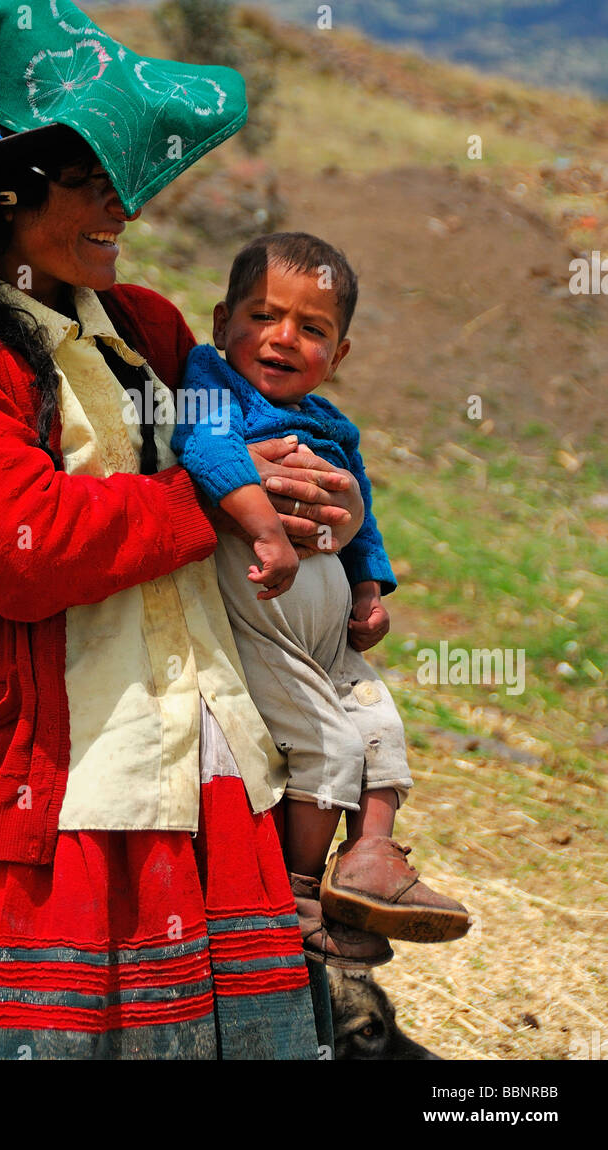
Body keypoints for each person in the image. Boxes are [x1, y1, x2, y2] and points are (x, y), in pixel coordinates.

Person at [0, 0, 368, 1059]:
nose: (123, 213)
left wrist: (308, 500)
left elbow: (240, 446)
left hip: (193, 759)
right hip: (33, 789)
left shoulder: (141, 322)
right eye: (90, 186)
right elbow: (25, 544)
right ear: (1, 192)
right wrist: (212, 497)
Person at [171, 231, 472, 969]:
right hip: (264, 626)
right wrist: (264, 529)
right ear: (219, 323)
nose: (282, 338)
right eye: (263, 316)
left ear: (336, 357)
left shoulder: (332, 426)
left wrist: (369, 587)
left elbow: (357, 507)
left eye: (311, 329)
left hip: (329, 635)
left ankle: (369, 861)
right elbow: (204, 450)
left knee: (380, 725)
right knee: (328, 745)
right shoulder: (211, 382)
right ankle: (298, 893)